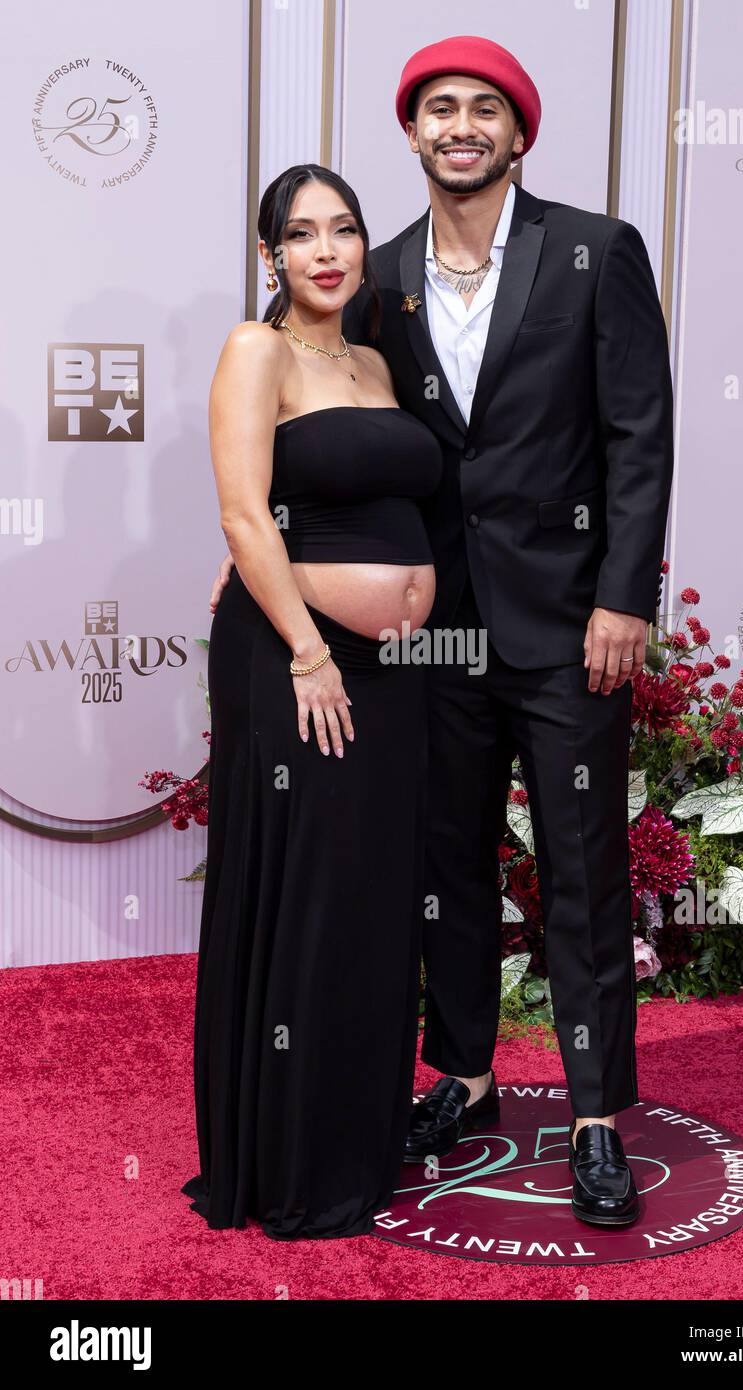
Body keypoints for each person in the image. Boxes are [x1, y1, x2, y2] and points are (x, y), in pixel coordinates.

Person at [212, 35, 674, 1228]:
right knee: (448, 866)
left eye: (483, 110)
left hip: (573, 628)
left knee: (579, 871)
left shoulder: (591, 252)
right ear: (411, 135)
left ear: (517, 134)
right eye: (436, 110)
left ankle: (589, 1116)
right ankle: (465, 1078)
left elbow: (638, 436)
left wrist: (623, 595)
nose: (459, 127)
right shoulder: (381, 282)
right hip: (433, 647)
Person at [182, 164, 443, 1239]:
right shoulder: (258, 351)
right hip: (300, 666)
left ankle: (358, 1147)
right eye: (301, 234)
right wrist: (305, 650)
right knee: (305, 896)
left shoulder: (379, 361)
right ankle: (291, 1162)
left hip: (389, 680)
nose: (326, 250)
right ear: (270, 257)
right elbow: (246, 517)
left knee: (372, 903)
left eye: (343, 230)